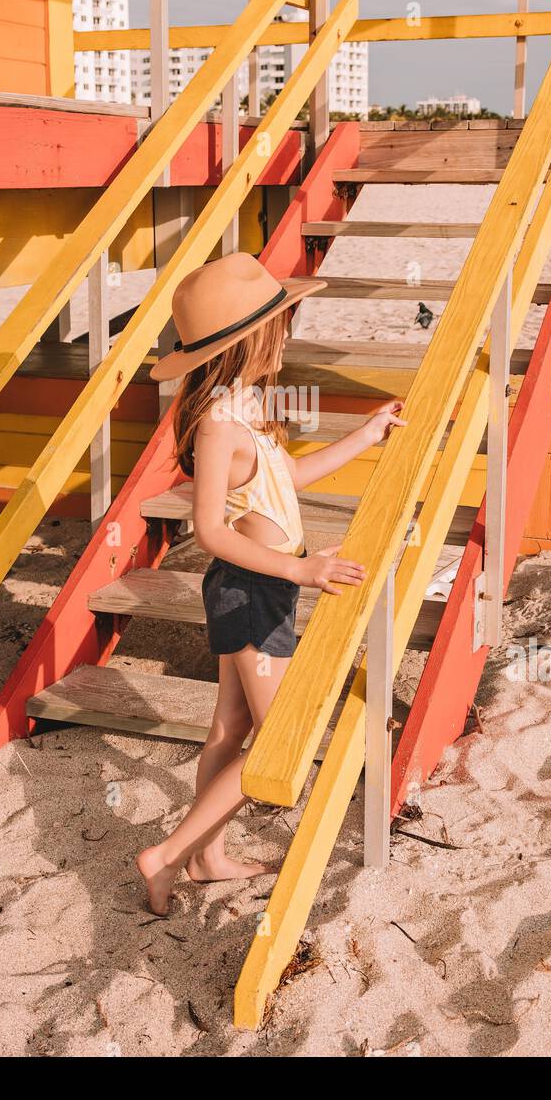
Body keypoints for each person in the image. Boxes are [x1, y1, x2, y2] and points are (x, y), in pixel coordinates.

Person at [136, 253, 406, 915]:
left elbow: (290, 480)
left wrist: (367, 436)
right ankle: (166, 855)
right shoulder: (219, 424)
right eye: (280, 327)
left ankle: (206, 857)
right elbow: (209, 532)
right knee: (281, 735)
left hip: (264, 590)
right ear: (249, 341)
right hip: (248, 593)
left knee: (229, 729)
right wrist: (300, 568)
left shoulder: (251, 407)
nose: (286, 336)